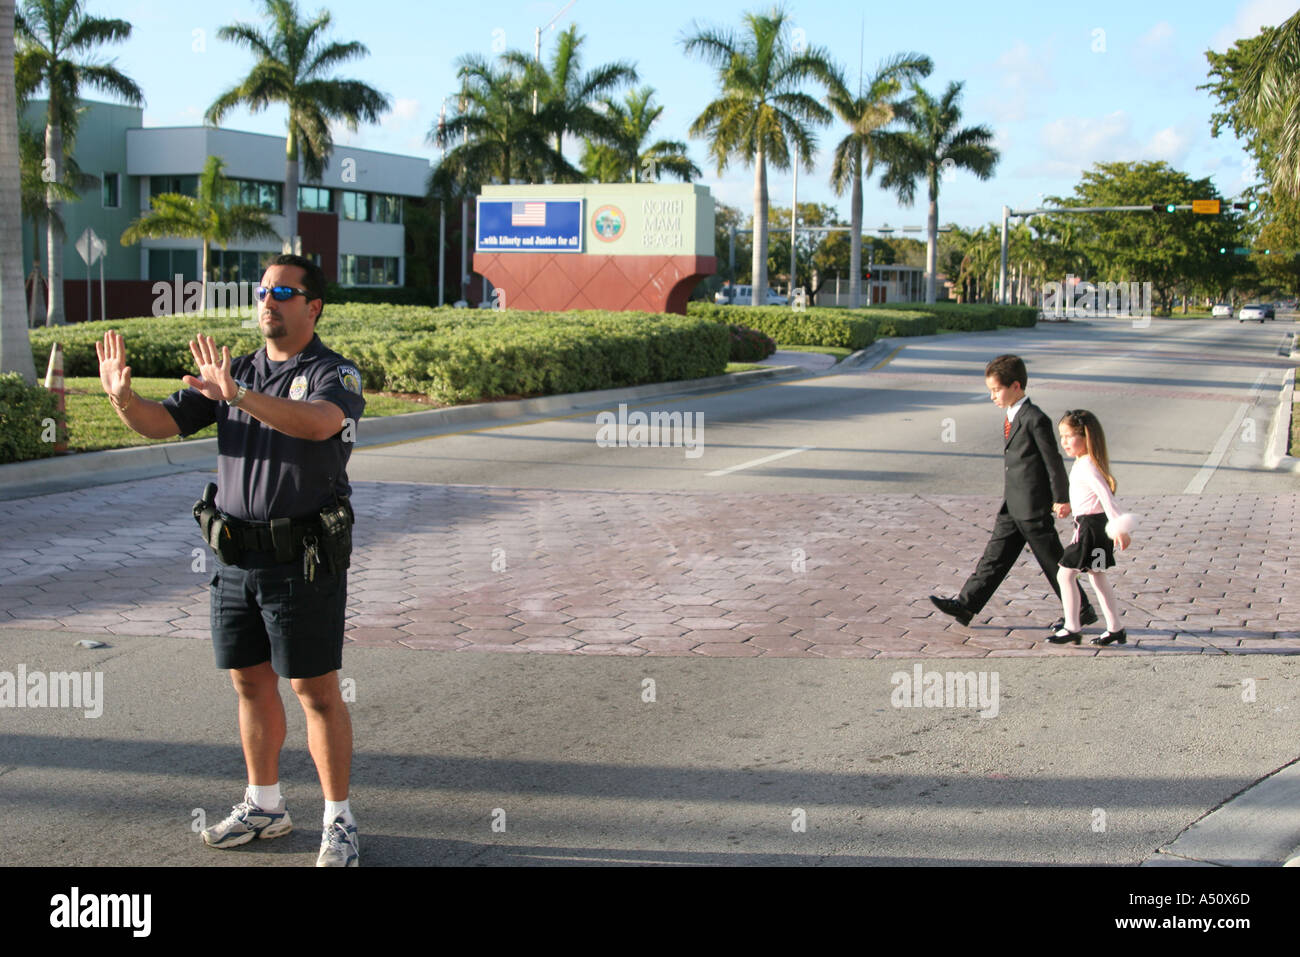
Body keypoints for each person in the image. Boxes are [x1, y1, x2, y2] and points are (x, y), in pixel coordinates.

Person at [96, 254, 365, 866]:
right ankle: (265, 803)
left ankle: (340, 821)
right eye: (262, 290)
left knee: (314, 688)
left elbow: (321, 425)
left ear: (312, 306)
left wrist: (239, 396)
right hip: (234, 556)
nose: (267, 299)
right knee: (248, 680)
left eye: (283, 291)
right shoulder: (234, 369)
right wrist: (122, 399)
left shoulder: (332, 373)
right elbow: (161, 423)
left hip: (302, 558)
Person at [929, 354, 1096, 632]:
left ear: (1016, 386)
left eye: (996, 390)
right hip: (1013, 504)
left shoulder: (1035, 418)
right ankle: (966, 604)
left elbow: (1051, 459)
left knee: (1053, 562)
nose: (992, 396)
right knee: (994, 557)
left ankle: (1081, 610)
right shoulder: (1011, 415)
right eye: (990, 390)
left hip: (1032, 506)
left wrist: (1061, 498)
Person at [1050, 410, 1135, 645]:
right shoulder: (1085, 462)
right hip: (1097, 529)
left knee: (1065, 574)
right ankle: (1115, 628)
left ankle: (1072, 627)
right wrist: (1069, 507)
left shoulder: (1087, 465)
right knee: (1097, 576)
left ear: (1086, 437)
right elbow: (1092, 497)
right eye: (1062, 436)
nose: (1064, 442)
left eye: (1069, 436)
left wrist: (1120, 527)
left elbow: (1106, 497)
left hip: (1089, 531)